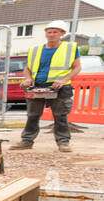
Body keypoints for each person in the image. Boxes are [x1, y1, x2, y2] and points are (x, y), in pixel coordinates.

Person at [9, 20, 81, 153]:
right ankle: (26, 141)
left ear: (62, 34)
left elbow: (77, 68)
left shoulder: (70, 48)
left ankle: (63, 142)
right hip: (38, 86)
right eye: (49, 32)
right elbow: (27, 69)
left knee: (60, 116)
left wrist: (64, 80)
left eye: (55, 32)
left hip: (59, 87)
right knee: (33, 115)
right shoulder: (35, 50)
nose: (51, 34)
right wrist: (28, 79)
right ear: (46, 34)